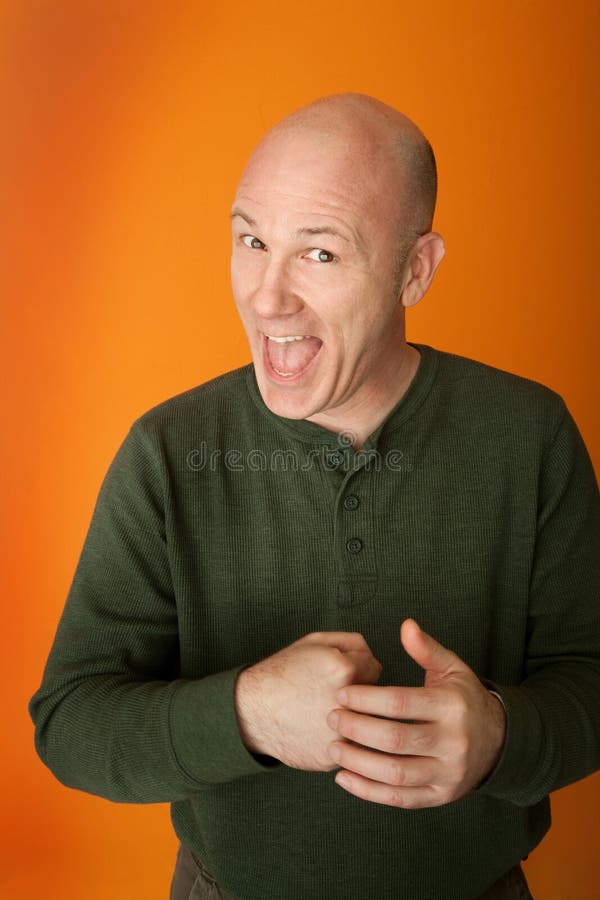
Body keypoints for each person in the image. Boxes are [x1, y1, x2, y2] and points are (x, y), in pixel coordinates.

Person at [29, 93, 600, 900]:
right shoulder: (165, 451)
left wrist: (503, 734)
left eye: (320, 254)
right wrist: (249, 714)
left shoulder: (530, 436)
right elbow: (71, 726)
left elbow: (590, 681)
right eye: (252, 240)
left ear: (415, 269)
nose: (268, 298)